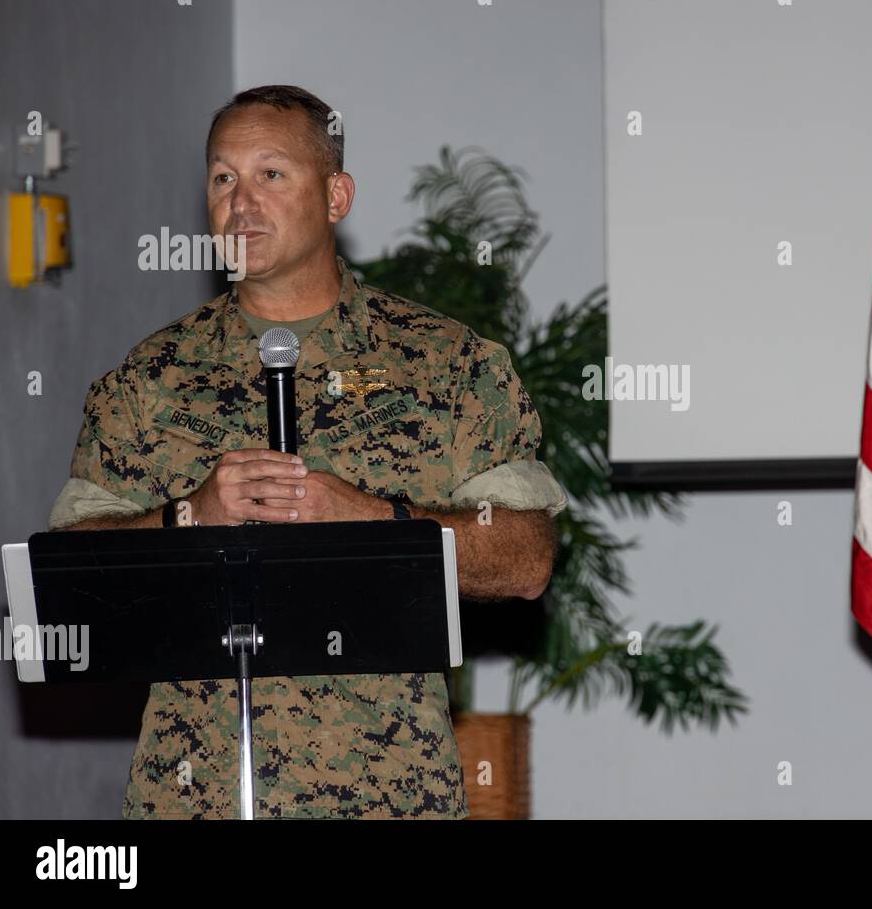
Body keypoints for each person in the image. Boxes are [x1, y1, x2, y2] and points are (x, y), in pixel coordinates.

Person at [47, 84, 567, 819]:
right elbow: (67, 583)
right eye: (222, 177)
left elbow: (525, 559)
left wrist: (373, 520)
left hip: (389, 796)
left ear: (336, 196)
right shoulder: (148, 380)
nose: (241, 203)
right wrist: (189, 518)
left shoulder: (446, 363)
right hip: (194, 799)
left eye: (271, 175)